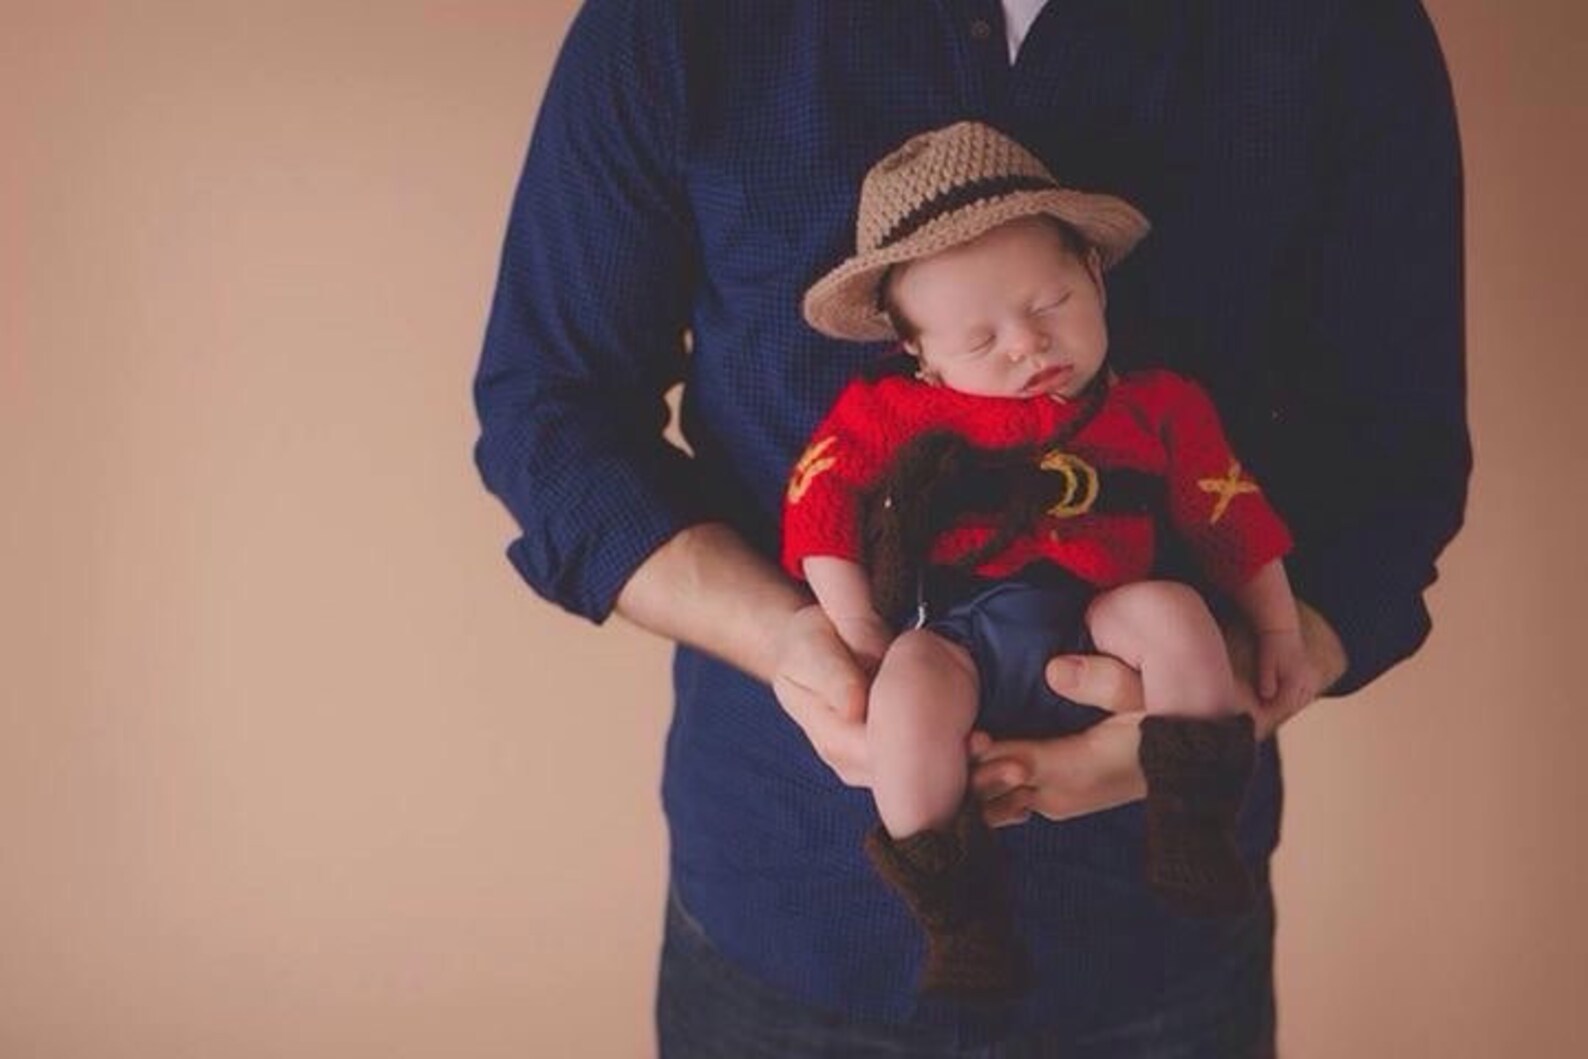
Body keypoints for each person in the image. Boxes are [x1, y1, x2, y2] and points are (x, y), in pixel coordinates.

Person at [472, 0, 1469, 1053]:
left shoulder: (1339, 30)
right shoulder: (674, 25)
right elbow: (551, 420)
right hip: (788, 920)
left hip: (1161, 944)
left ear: (1091, 273)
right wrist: (801, 642)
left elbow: (1390, 462)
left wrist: (1219, 703)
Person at [781, 120, 1322, 998]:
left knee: (1177, 615)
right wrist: (855, 629)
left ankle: (1190, 819)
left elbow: (1229, 509)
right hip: (956, 632)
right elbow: (818, 500)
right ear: (916, 356)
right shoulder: (888, 414)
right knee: (908, 689)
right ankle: (959, 920)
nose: (1028, 347)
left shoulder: (1159, 407)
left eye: (1048, 307)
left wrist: (1275, 622)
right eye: (980, 341)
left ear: (1096, 276)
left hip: (1103, 619)